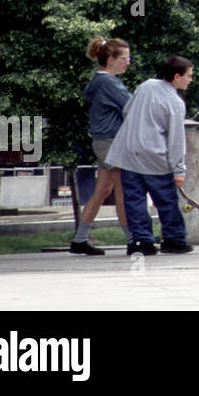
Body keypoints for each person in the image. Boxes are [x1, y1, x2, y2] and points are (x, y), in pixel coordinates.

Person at [105, 56, 195, 256]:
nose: (190, 80)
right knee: (166, 199)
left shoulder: (146, 86)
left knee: (134, 199)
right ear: (177, 76)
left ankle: (141, 241)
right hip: (154, 156)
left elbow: (127, 110)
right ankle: (174, 239)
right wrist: (179, 169)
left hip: (128, 151)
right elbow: (176, 140)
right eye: (188, 76)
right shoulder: (175, 103)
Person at [70, 37, 133, 255]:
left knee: (102, 190)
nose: (128, 62)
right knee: (123, 192)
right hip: (111, 142)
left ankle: (80, 240)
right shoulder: (110, 83)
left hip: (101, 141)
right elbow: (132, 106)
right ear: (111, 59)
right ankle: (134, 240)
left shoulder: (99, 81)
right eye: (125, 58)